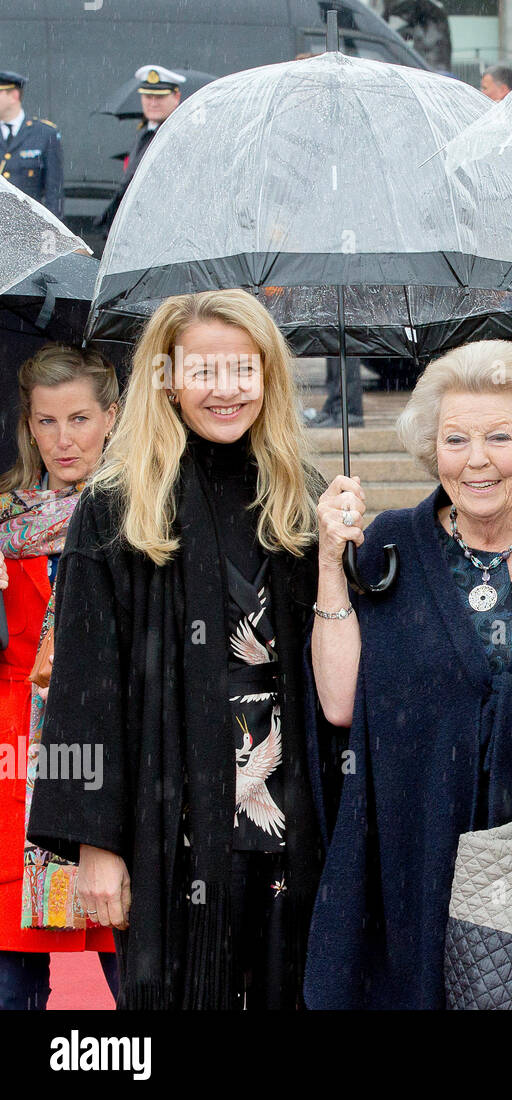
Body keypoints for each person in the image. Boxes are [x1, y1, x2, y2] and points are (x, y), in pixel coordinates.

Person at [303, 341, 512, 1009]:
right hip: (416, 867)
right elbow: (341, 704)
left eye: (499, 436)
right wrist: (328, 562)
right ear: (433, 449)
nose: (478, 459)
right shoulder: (391, 545)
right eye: (456, 439)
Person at [27, 290, 328, 1009]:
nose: (225, 389)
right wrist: (96, 845)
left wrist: (347, 551)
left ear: (269, 376)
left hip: (292, 825)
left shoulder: (301, 496)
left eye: (242, 369)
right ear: (166, 379)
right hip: (170, 829)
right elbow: (84, 687)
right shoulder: (117, 504)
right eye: (204, 370)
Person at [0, 345, 118, 1010]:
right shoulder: (4, 523)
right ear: (28, 423)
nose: (63, 439)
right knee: (10, 986)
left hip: (108, 761)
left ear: (110, 416)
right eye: (47, 421)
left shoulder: (139, 519)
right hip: (14, 772)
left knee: (144, 980)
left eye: (78, 418)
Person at [95, 65, 186, 231]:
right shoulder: (144, 133)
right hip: (134, 226)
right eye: (148, 96)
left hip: (159, 227)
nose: (152, 103)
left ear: (176, 96)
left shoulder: (180, 135)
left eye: (160, 97)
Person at [0, 71, 63, 219]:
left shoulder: (45, 134)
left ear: (14, 95)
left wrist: (52, 231)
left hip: (27, 228)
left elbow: (54, 192)